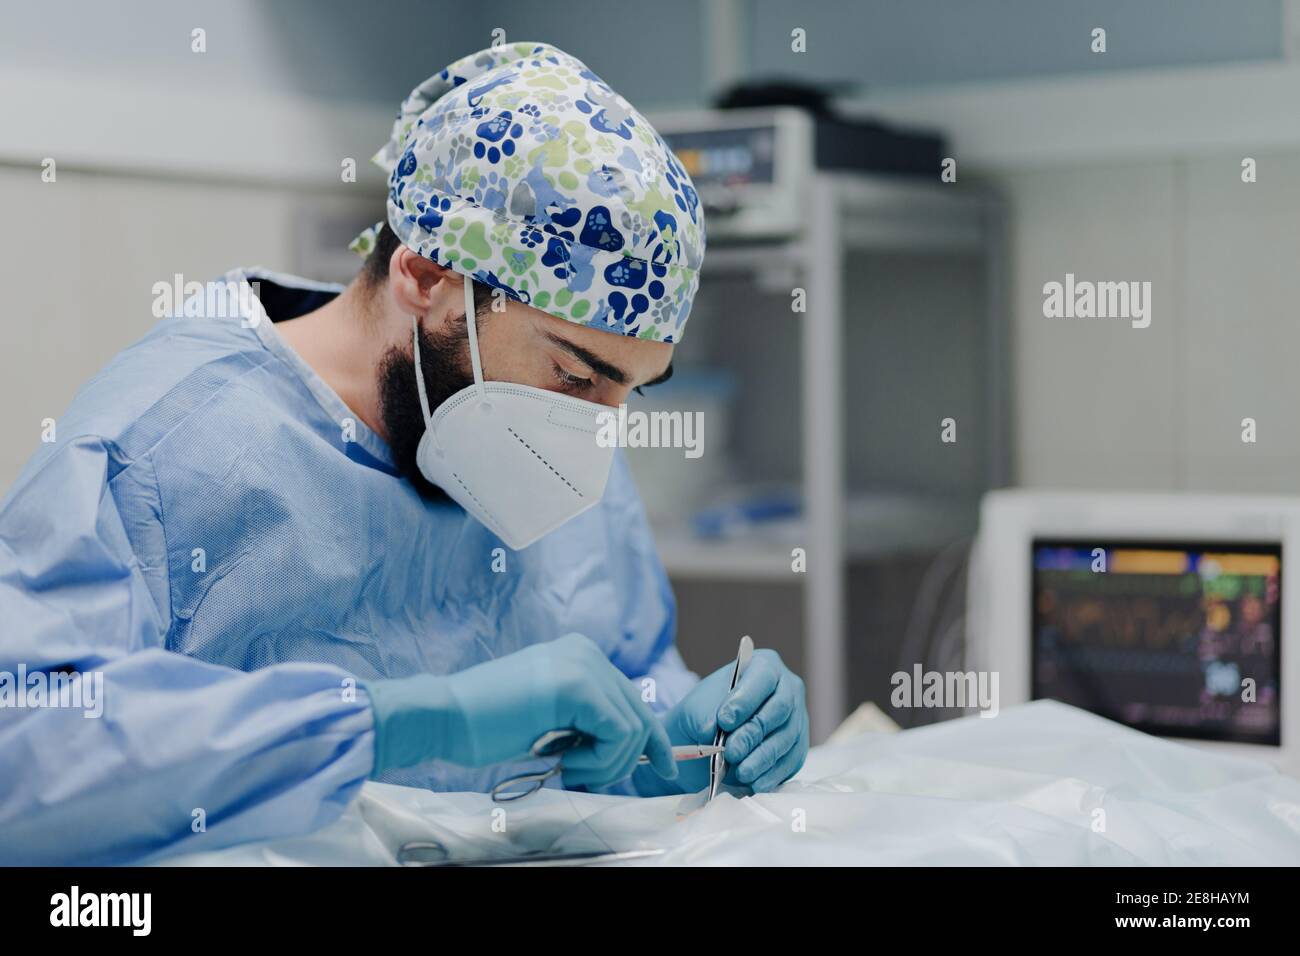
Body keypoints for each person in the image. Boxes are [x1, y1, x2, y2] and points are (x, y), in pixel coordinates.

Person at [0, 42, 808, 865]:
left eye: (632, 389)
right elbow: (26, 756)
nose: (599, 427)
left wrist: (677, 740)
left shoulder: (548, 434)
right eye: (575, 374)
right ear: (424, 277)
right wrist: (395, 723)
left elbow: (620, 672)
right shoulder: (160, 450)